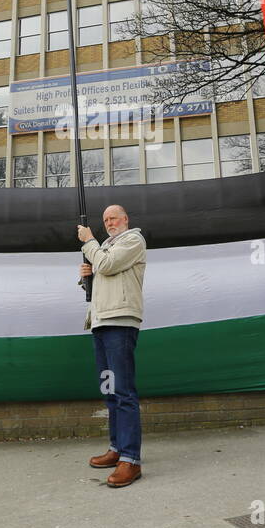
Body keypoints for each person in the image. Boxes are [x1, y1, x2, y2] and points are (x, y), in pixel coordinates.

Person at [78, 204, 147, 488]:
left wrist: (89, 242)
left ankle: (131, 459)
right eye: (106, 219)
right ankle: (117, 449)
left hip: (120, 321)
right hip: (101, 321)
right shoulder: (104, 247)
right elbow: (100, 273)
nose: (109, 222)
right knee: (109, 390)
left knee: (124, 391)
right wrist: (86, 276)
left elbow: (107, 264)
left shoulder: (133, 240)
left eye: (113, 217)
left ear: (125, 219)